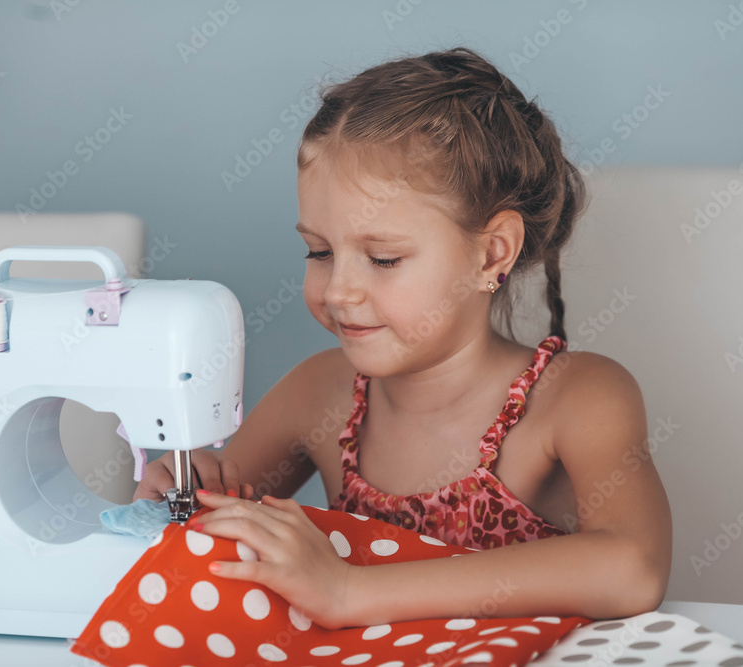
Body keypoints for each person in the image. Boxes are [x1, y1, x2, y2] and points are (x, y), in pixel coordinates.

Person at [133, 46, 672, 631]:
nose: (338, 290)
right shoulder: (320, 393)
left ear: (491, 253)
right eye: (319, 251)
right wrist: (186, 493)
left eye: (383, 259)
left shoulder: (577, 398)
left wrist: (351, 591)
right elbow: (210, 533)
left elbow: (634, 567)